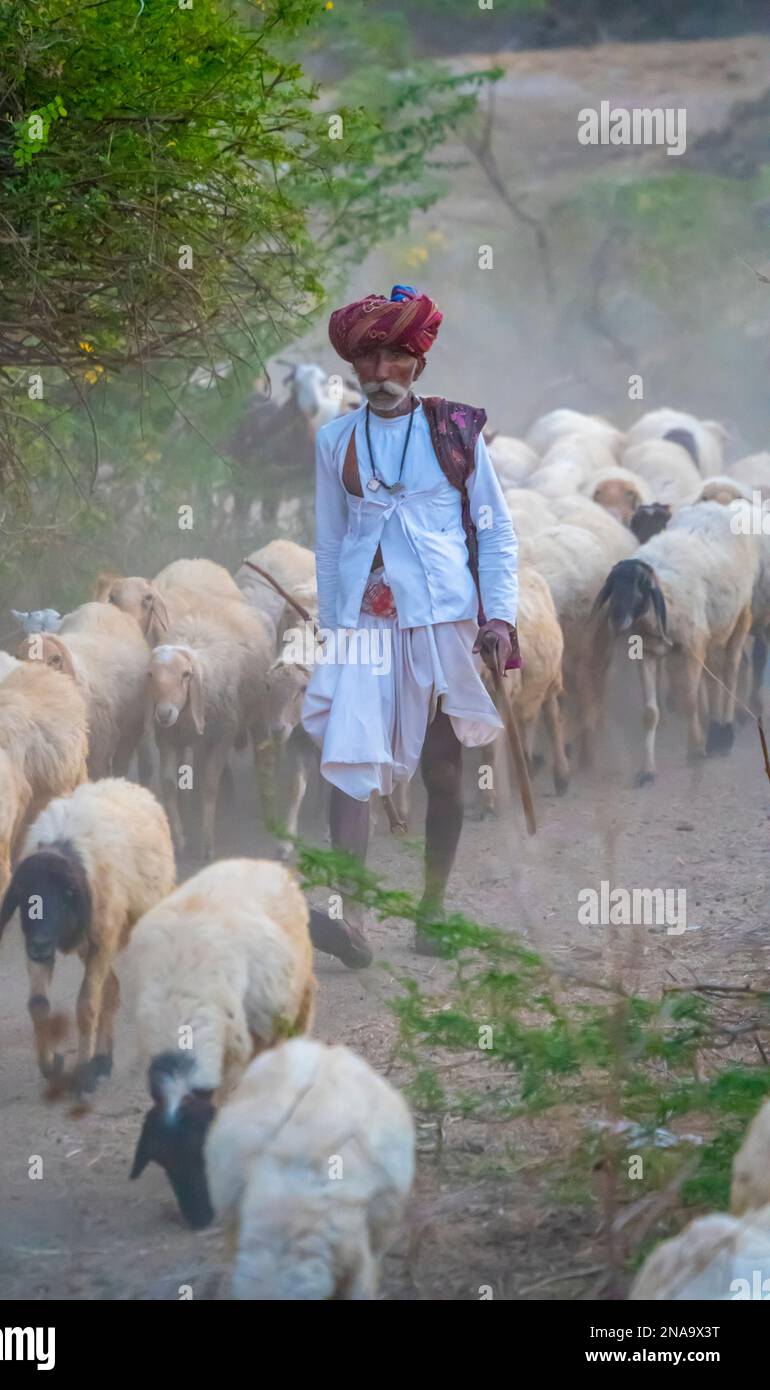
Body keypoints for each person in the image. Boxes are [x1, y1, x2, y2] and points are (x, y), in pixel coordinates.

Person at [301, 285, 520, 967]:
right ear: (354, 370)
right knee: (347, 763)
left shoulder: (455, 432)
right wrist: (337, 626)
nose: (381, 372)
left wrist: (501, 617)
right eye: (368, 360)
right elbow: (332, 542)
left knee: (445, 771)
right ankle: (354, 920)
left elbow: (497, 532)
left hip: (443, 620)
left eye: (395, 357)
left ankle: (430, 913)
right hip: (368, 622)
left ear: (417, 364)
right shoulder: (336, 439)